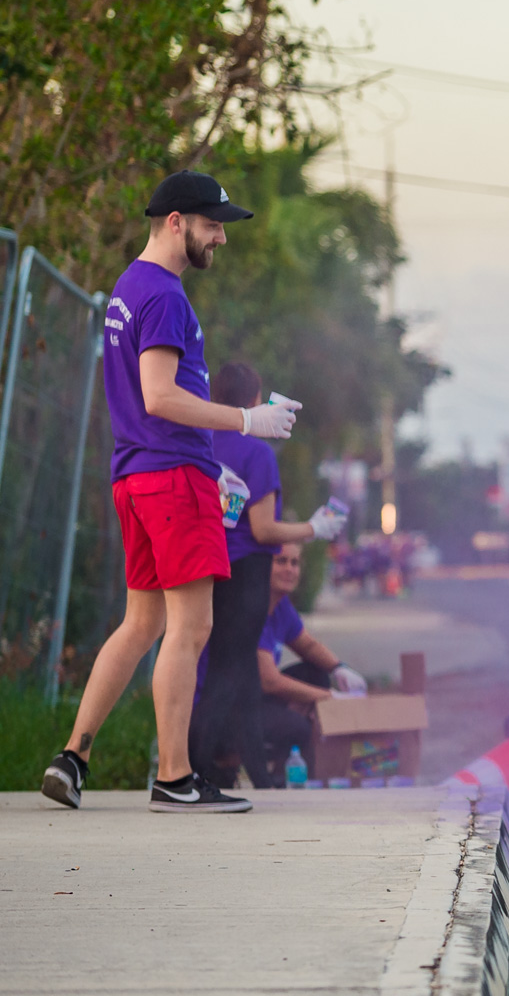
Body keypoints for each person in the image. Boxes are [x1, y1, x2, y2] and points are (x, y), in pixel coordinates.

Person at [41, 171, 299, 813]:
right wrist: (246, 421)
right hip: (171, 476)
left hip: (136, 474)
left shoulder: (128, 289)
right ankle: (176, 776)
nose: (220, 238)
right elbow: (160, 396)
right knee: (193, 624)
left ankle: (72, 757)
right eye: (213, 225)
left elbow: (150, 395)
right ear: (177, 222)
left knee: (143, 621)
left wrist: (232, 437)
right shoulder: (165, 296)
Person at [190, 362, 346, 788]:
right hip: (246, 573)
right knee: (230, 674)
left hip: (209, 566)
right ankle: (197, 765)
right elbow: (263, 530)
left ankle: (254, 775)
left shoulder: (200, 441)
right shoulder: (257, 452)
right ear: (256, 402)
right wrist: (314, 528)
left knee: (235, 675)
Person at [256, 542, 367, 783]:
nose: (290, 569)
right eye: (281, 561)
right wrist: (327, 696)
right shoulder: (255, 608)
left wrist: (339, 669)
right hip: (236, 706)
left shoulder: (280, 605)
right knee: (298, 727)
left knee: (316, 671)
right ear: (263, 565)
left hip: (259, 695)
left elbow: (307, 645)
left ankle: (305, 768)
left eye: (295, 563)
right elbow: (269, 681)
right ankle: (284, 775)